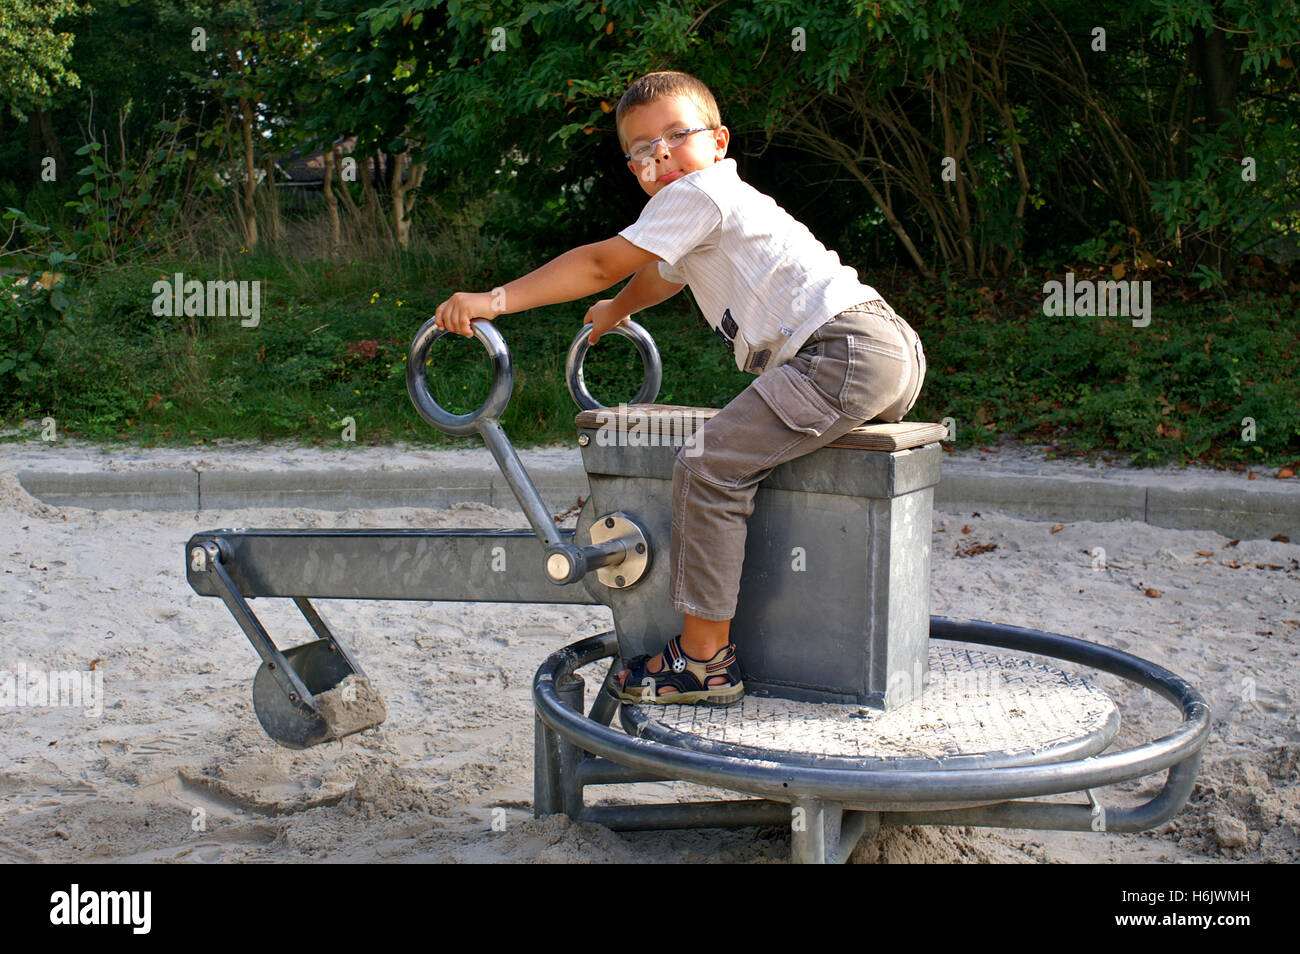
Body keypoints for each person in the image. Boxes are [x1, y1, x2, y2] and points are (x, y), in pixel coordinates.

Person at [434, 70, 926, 707]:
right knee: (751, 456)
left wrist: (494, 300)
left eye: (675, 135)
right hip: (882, 350)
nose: (658, 153)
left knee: (708, 465)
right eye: (640, 149)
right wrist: (616, 310)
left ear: (718, 140)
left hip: (840, 352)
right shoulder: (702, 204)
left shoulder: (700, 191)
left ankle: (702, 661)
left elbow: (600, 261)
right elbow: (662, 275)